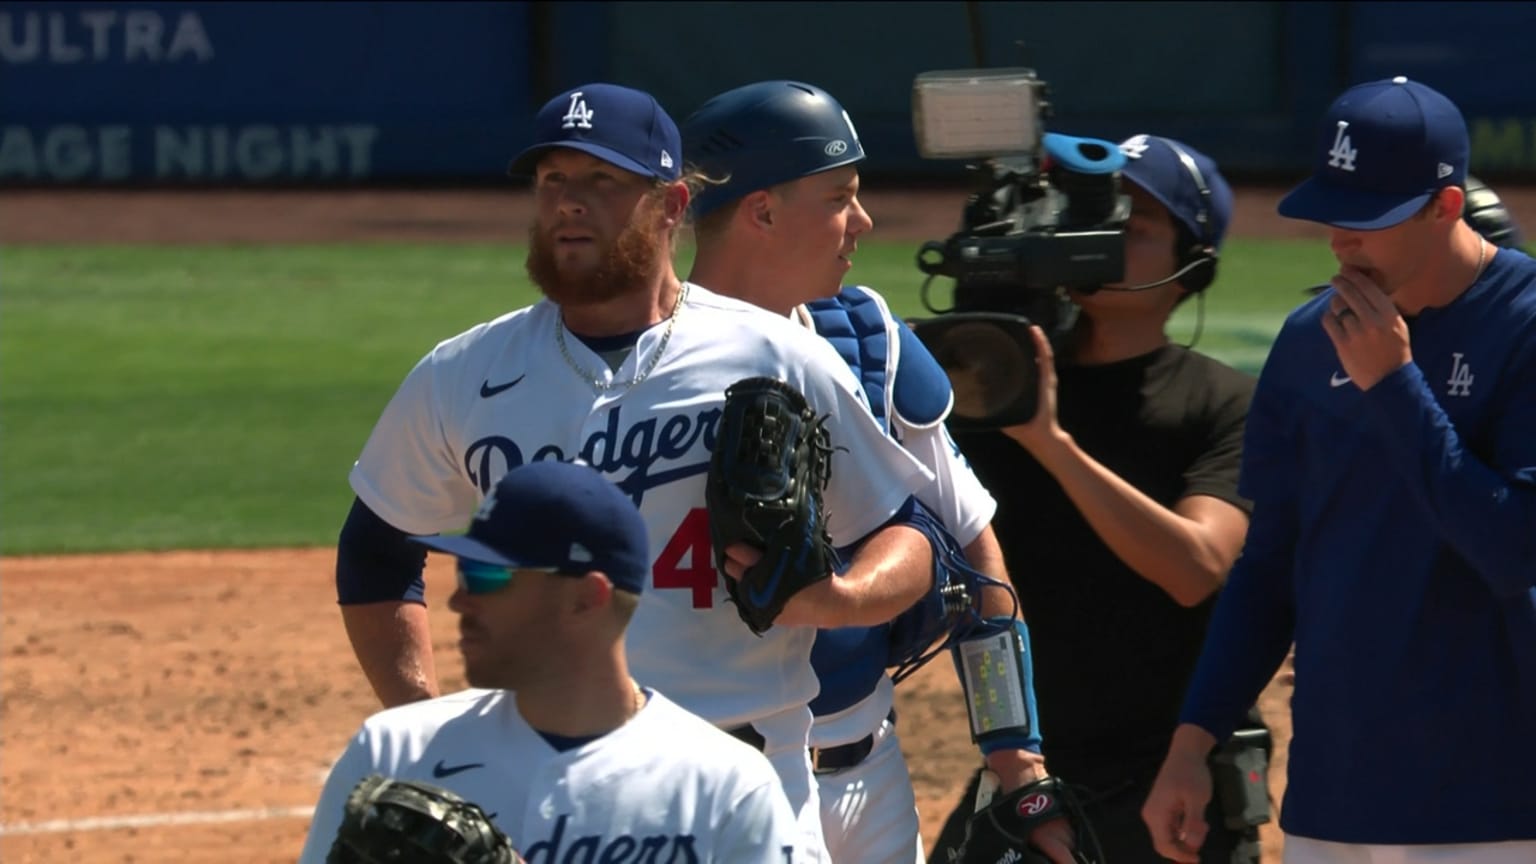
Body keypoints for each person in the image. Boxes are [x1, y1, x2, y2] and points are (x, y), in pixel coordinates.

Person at [334, 81, 948, 860]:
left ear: (671, 205)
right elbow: (377, 553)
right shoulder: (464, 372)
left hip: (750, 781)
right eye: (553, 180)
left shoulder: (773, 355)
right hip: (545, 790)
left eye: (602, 181)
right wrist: (425, 730)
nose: (569, 203)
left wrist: (837, 597)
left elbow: (910, 533)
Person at [1142, 77, 1536, 864]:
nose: (1340, 242)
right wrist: (1194, 738)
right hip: (1334, 794)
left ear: (1445, 206)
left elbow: (1513, 550)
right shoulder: (1307, 339)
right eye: (1334, 215)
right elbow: (1270, 564)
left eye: (1369, 221)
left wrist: (1394, 387)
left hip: (1495, 800)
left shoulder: (1524, 328)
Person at [680, 80, 1070, 864]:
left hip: (873, 778)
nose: (862, 221)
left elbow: (973, 554)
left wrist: (1015, 755)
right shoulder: (646, 365)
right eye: (840, 197)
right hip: (717, 787)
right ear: (762, 211)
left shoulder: (867, 342)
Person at [929, 132, 1275, 864]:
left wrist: (1051, 442)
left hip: (1172, 777)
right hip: (1029, 763)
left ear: (1191, 267)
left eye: (1136, 225)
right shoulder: (993, 382)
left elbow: (1196, 566)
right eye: (1093, 216)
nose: (1104, 236)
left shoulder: (1227, 403)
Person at [303, 460, 799, 863]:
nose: (459, 601)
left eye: (487, 576)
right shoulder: (394, 756)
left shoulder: (724, 789)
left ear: (586, 598)